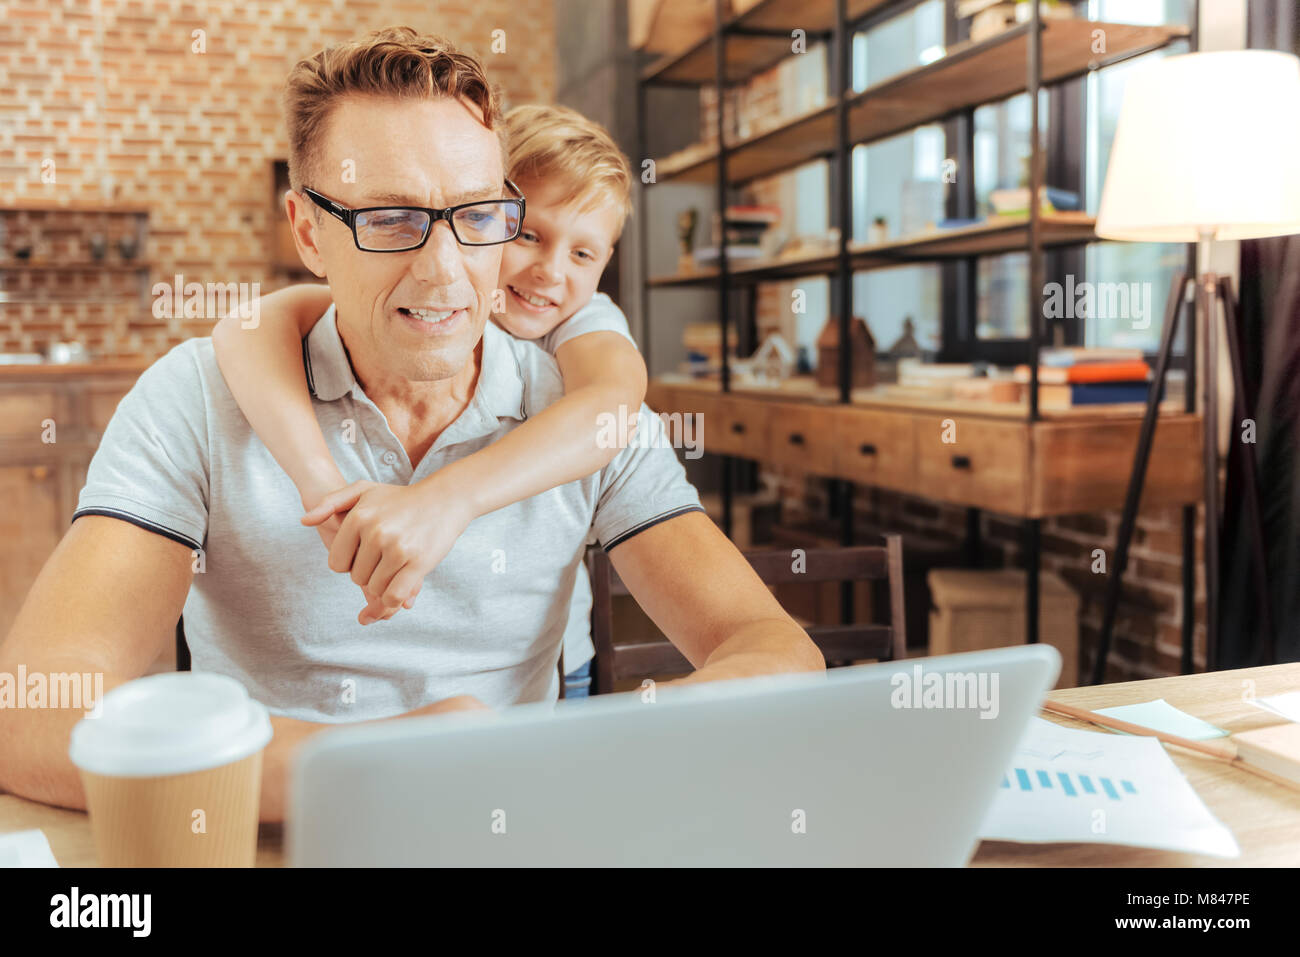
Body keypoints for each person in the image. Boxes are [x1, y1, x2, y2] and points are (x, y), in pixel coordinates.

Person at [0, 27, 822, 823]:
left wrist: (588, 753)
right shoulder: (196, 400)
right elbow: (30, 715)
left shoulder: (579, 409)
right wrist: (361, 772)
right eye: (390, 220)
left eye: (477, 216)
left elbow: (776, 654)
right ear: (309, 232)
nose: (444, 271)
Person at [211, 104, 646, 698]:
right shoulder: (402, 300)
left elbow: (613, 406)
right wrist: (320, 486)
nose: (549, 272)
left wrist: (448, 498)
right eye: (530, 235)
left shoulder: (580, 320)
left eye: (583, 254)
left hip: (538, 662)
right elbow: (247, 327)